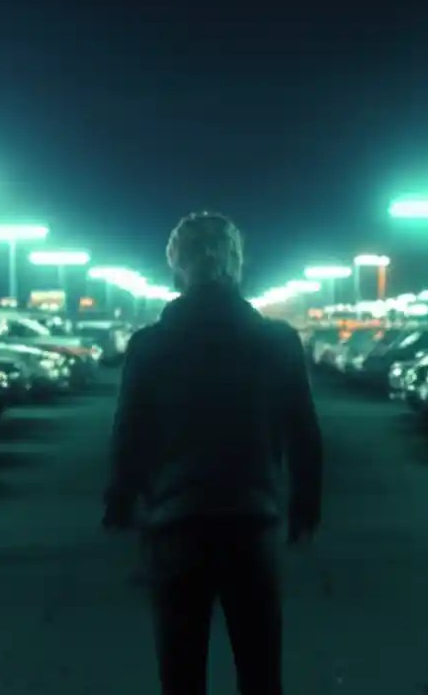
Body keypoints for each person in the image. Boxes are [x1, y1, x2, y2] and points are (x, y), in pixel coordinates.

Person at [103, 211, 324, 695]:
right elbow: (303, 431)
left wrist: (121, 500)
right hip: (253, 519)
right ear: (237, 264)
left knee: (181, 672)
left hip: (176, 522)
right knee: (260, 668)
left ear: (176, 266)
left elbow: (130, 433)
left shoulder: (150, 346)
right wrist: (305, 506)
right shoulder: (277, 341)